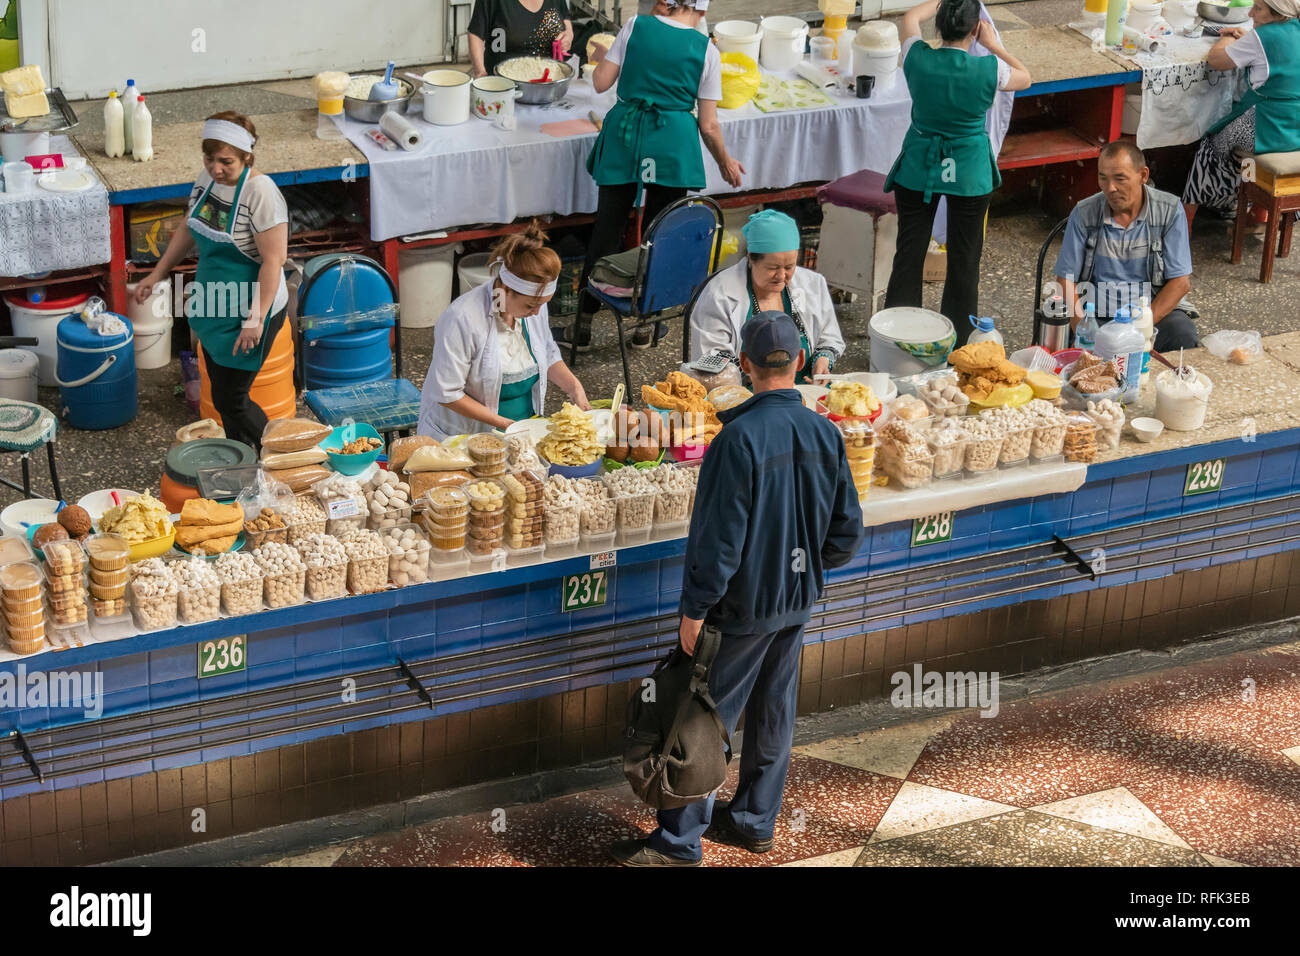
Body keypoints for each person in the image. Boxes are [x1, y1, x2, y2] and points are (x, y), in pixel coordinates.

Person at [610, 312, 866, 867]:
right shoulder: (825, 432)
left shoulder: (736, 440)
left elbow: (719, 542)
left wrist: (695, 608)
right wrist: (805, 573)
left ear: (745, 367)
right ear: (799, 363)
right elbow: (848, 531)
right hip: (796, 602)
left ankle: (679, 842)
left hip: (741, 608)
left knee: (704, 717)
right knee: (775, 709)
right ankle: (755, 820)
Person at [553, 0, 745, 355]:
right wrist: (724, 161)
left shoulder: (636, 27)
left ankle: (583, 324)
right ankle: (648, 328)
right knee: (662, 234)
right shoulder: (707, 50)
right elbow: (709, 124)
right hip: (672, 140)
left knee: (607, 227)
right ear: (703, 11)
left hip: (626, 133)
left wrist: (602, 55)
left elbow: (600, 83)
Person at [134, 111, 288, 451]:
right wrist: (158, 273)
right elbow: (190, 227)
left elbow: (273, 262)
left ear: (247, 155)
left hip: (251, 306)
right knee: (221, 394)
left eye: (226, 161)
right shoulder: (206, 182)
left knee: (233, 398)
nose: (216, 168)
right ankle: (246, 463)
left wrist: (255, 317)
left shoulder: (260, 193)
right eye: (210, 158)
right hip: (216, 301)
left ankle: (287, 459)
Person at [883, 0, 1031, 346]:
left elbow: (907, 18)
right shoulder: (989, 68)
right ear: (975, 28)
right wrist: (993, 44)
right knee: (965, 260)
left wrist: (937, 3)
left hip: (920, 165)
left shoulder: (917, 58)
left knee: (909, 254)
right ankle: (960, 344)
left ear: (940, 25)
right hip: (969, 171)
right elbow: (1025, 77)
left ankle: (898, 340)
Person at [419, 224, 589, 441]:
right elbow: (447, 393)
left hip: (522, 426)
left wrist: (574, 387)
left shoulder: (534, 307)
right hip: (465, 435)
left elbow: (547, 353)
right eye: (530, 306)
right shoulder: (462, 319)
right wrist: (505, 424)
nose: (537, 312)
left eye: (542, 304)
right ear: (505, 290)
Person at [1055, 141, 1199, 352]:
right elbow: (1065, 279)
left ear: (1143, 175)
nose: (1110, 188)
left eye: (1120, 178)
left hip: (1149, 314)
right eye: (1103, 178)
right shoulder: (1084, 213)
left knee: (1181, 332)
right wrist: (1083, 328)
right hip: (1098, 314)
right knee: (1057, 337)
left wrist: (1137, 329)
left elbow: (1180, 283)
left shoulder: (1169, 211)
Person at [689, 211, 844, 384]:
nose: (781, 276)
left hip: (806, 387)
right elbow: (711, 358)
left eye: (789, 266)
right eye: (772, 267)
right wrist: (758, 379)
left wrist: (823, 360)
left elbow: (829, 335)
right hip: (743, 392)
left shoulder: (813, 283)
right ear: (750, 258)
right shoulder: (720, 294)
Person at [1183, 0, 1300, 224]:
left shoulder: (1262, 38)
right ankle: (1257, 211)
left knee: (1211, 147)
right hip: (1296, 131)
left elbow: (1217, 60)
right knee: (1242, 152)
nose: (1250, 12)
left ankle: (1185, 219)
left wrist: (1226, 37)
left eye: (1258, 8)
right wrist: (1248, 39)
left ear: (1278, 13)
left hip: (1268, 126)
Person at [467, 0, 574, 78]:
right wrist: (480, 72)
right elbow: (476, 34)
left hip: (548, 83)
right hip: (503, 85)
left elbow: (565, 17)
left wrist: (568, 36)